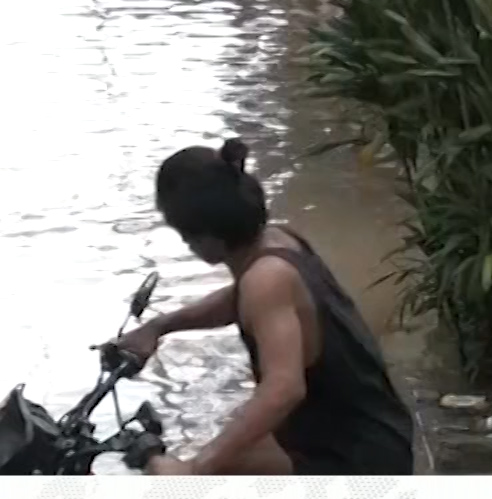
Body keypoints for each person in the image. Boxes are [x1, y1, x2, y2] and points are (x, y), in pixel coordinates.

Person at [108, 138, 414, 477]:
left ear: (205, 237)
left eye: (185, 235)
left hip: (359, 459)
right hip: (373, 430)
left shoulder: (266, 281)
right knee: (235, 445)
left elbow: (284, 389)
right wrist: (159, 326)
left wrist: (194, 469)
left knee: (204, 469)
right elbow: (239, 300)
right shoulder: (279, 242)